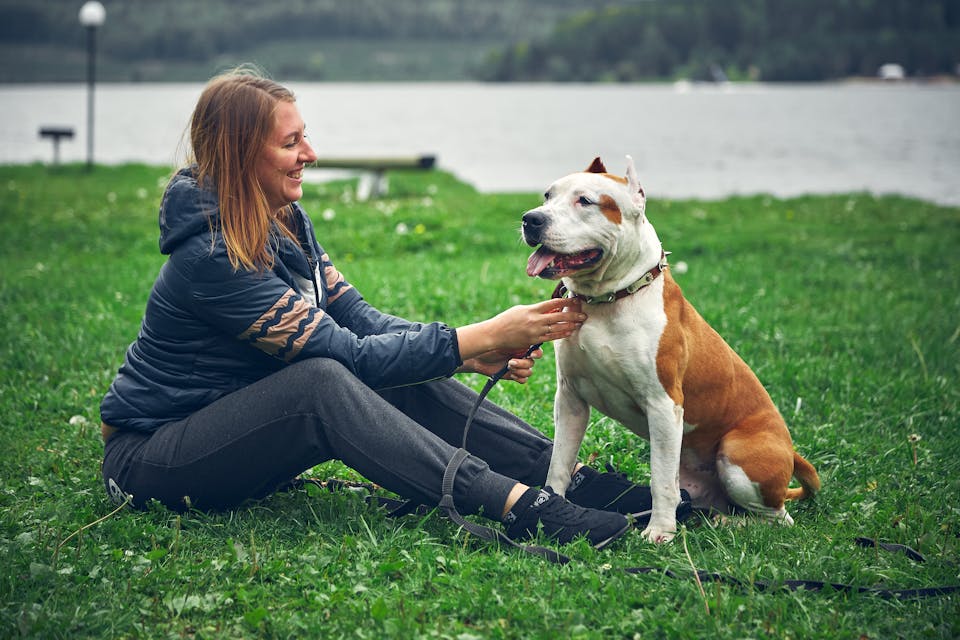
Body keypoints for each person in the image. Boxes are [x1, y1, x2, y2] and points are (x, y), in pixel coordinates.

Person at [99, 68, 663, 551]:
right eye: (291, 143)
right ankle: (520, 505)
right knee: (320, 382)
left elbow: (362, 323)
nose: (310, 156)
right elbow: (347, 357)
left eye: (306, 138)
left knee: (383, 369)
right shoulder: (211, 257)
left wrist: (470, 353)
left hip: (233, 438)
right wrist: (482, 333)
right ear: (244, 152)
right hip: (153, 459)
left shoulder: (287, 224)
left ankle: (570, 478)